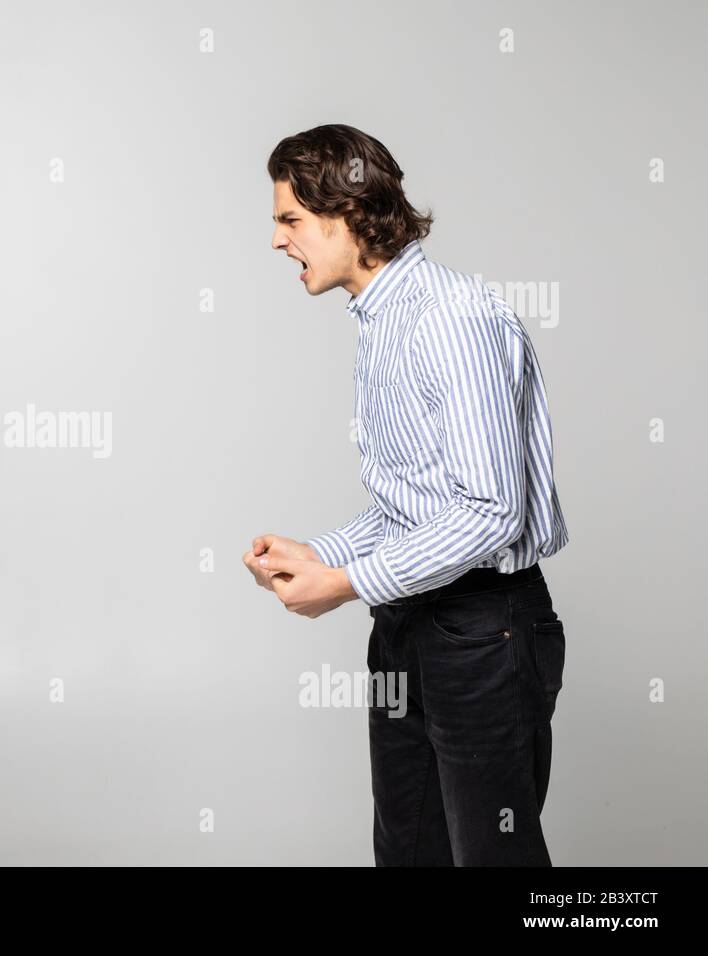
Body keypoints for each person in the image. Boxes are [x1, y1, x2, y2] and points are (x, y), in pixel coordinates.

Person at [242, 124, 568, 866]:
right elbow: (416, 505)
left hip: (483, 633)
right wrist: (322, 555)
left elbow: (490, 511)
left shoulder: (451, 317)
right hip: (405, 625)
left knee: (492, 855)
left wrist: (346, 582)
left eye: (289, 219)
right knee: (407, 850)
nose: (276, 241)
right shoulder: (382, 319)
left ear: (349, 212)